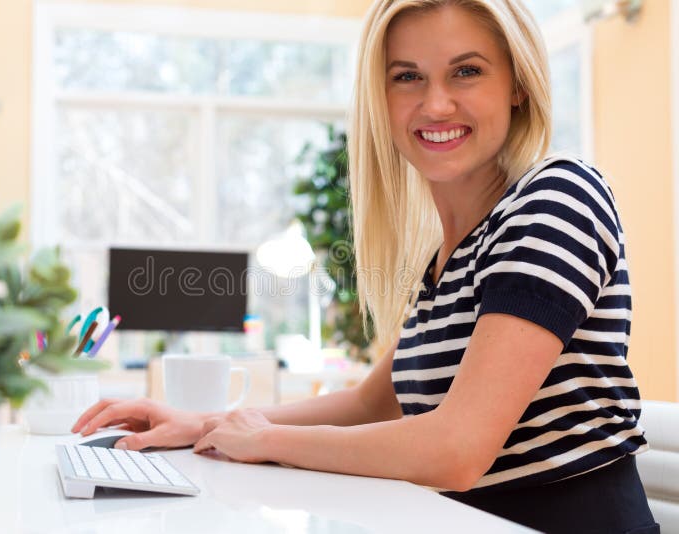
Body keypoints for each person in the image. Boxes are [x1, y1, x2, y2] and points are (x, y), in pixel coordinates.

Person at [72, 1, 659, 531]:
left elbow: (456, 450)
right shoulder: (449, 259)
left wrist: (266, 440)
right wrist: (201, 424)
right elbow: (369, 404)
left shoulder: (558, 196)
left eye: (467, 71)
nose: (435, 103)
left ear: (518, 85)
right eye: (408, 77)